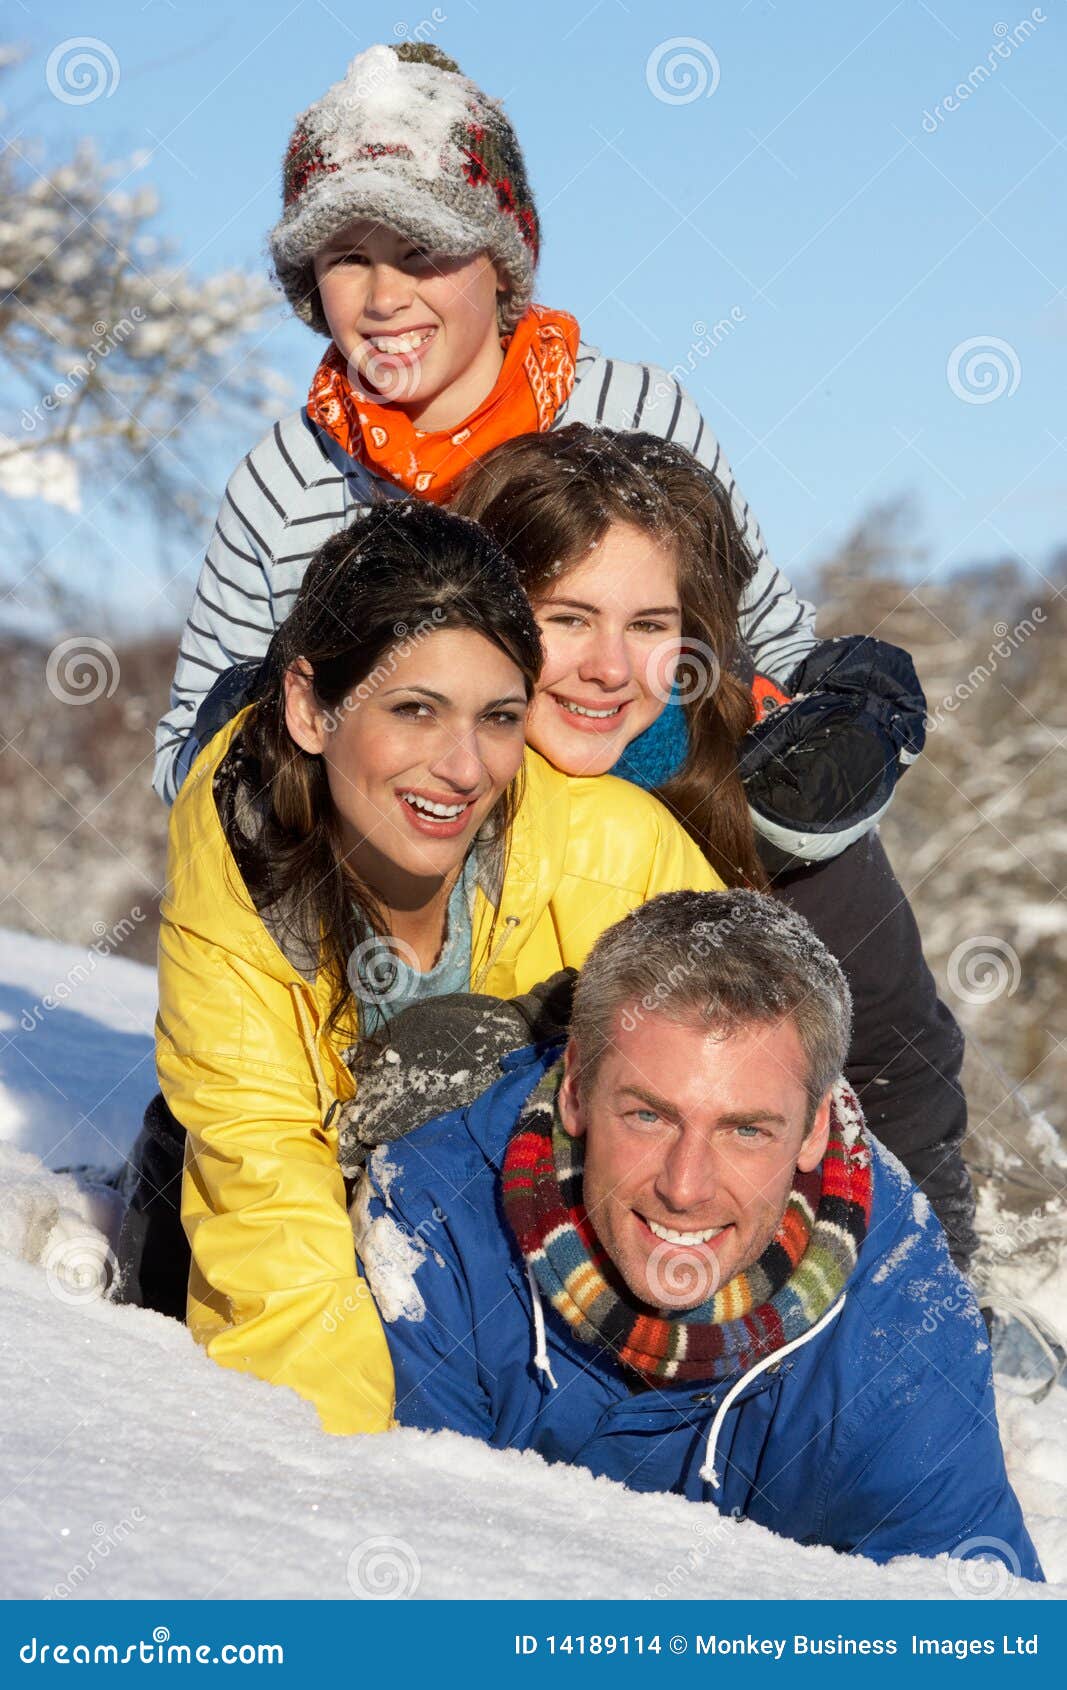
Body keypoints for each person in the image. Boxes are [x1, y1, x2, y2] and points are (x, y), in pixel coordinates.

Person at [136, 500, 726, 1436]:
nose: (461, 767)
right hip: (326, 1246)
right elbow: (272, 1213)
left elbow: (756, 1089)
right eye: (414, 710)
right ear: (309, 706)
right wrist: (352, 1480)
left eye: (498, 718)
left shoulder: (613, 852)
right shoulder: (237, 885)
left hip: (545, 1266)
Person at [152, 39, 819, 809]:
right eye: (346, 259)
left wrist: (836, 722)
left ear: (500, 262)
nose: (383, 299)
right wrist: (288, 740)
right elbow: (182, 762)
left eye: (421, 250)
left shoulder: (636, 415)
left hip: (649, 848)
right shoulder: (288, 478)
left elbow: (767, 638)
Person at [353, 892, 1041, 1576]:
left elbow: (988, 1641)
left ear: (813, 1130)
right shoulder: (434, 1222)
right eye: (648, 1117)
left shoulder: (899, 1308)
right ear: (576, 1091)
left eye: (745, 1131)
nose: (684, 1189)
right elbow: (425, 1587)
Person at [450, 426, 975, 1267]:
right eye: (568, 618)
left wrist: (921, 1294)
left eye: (648, 624)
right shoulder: (413, 785)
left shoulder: (759, 799)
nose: (609, 668)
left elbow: (895, 1064)